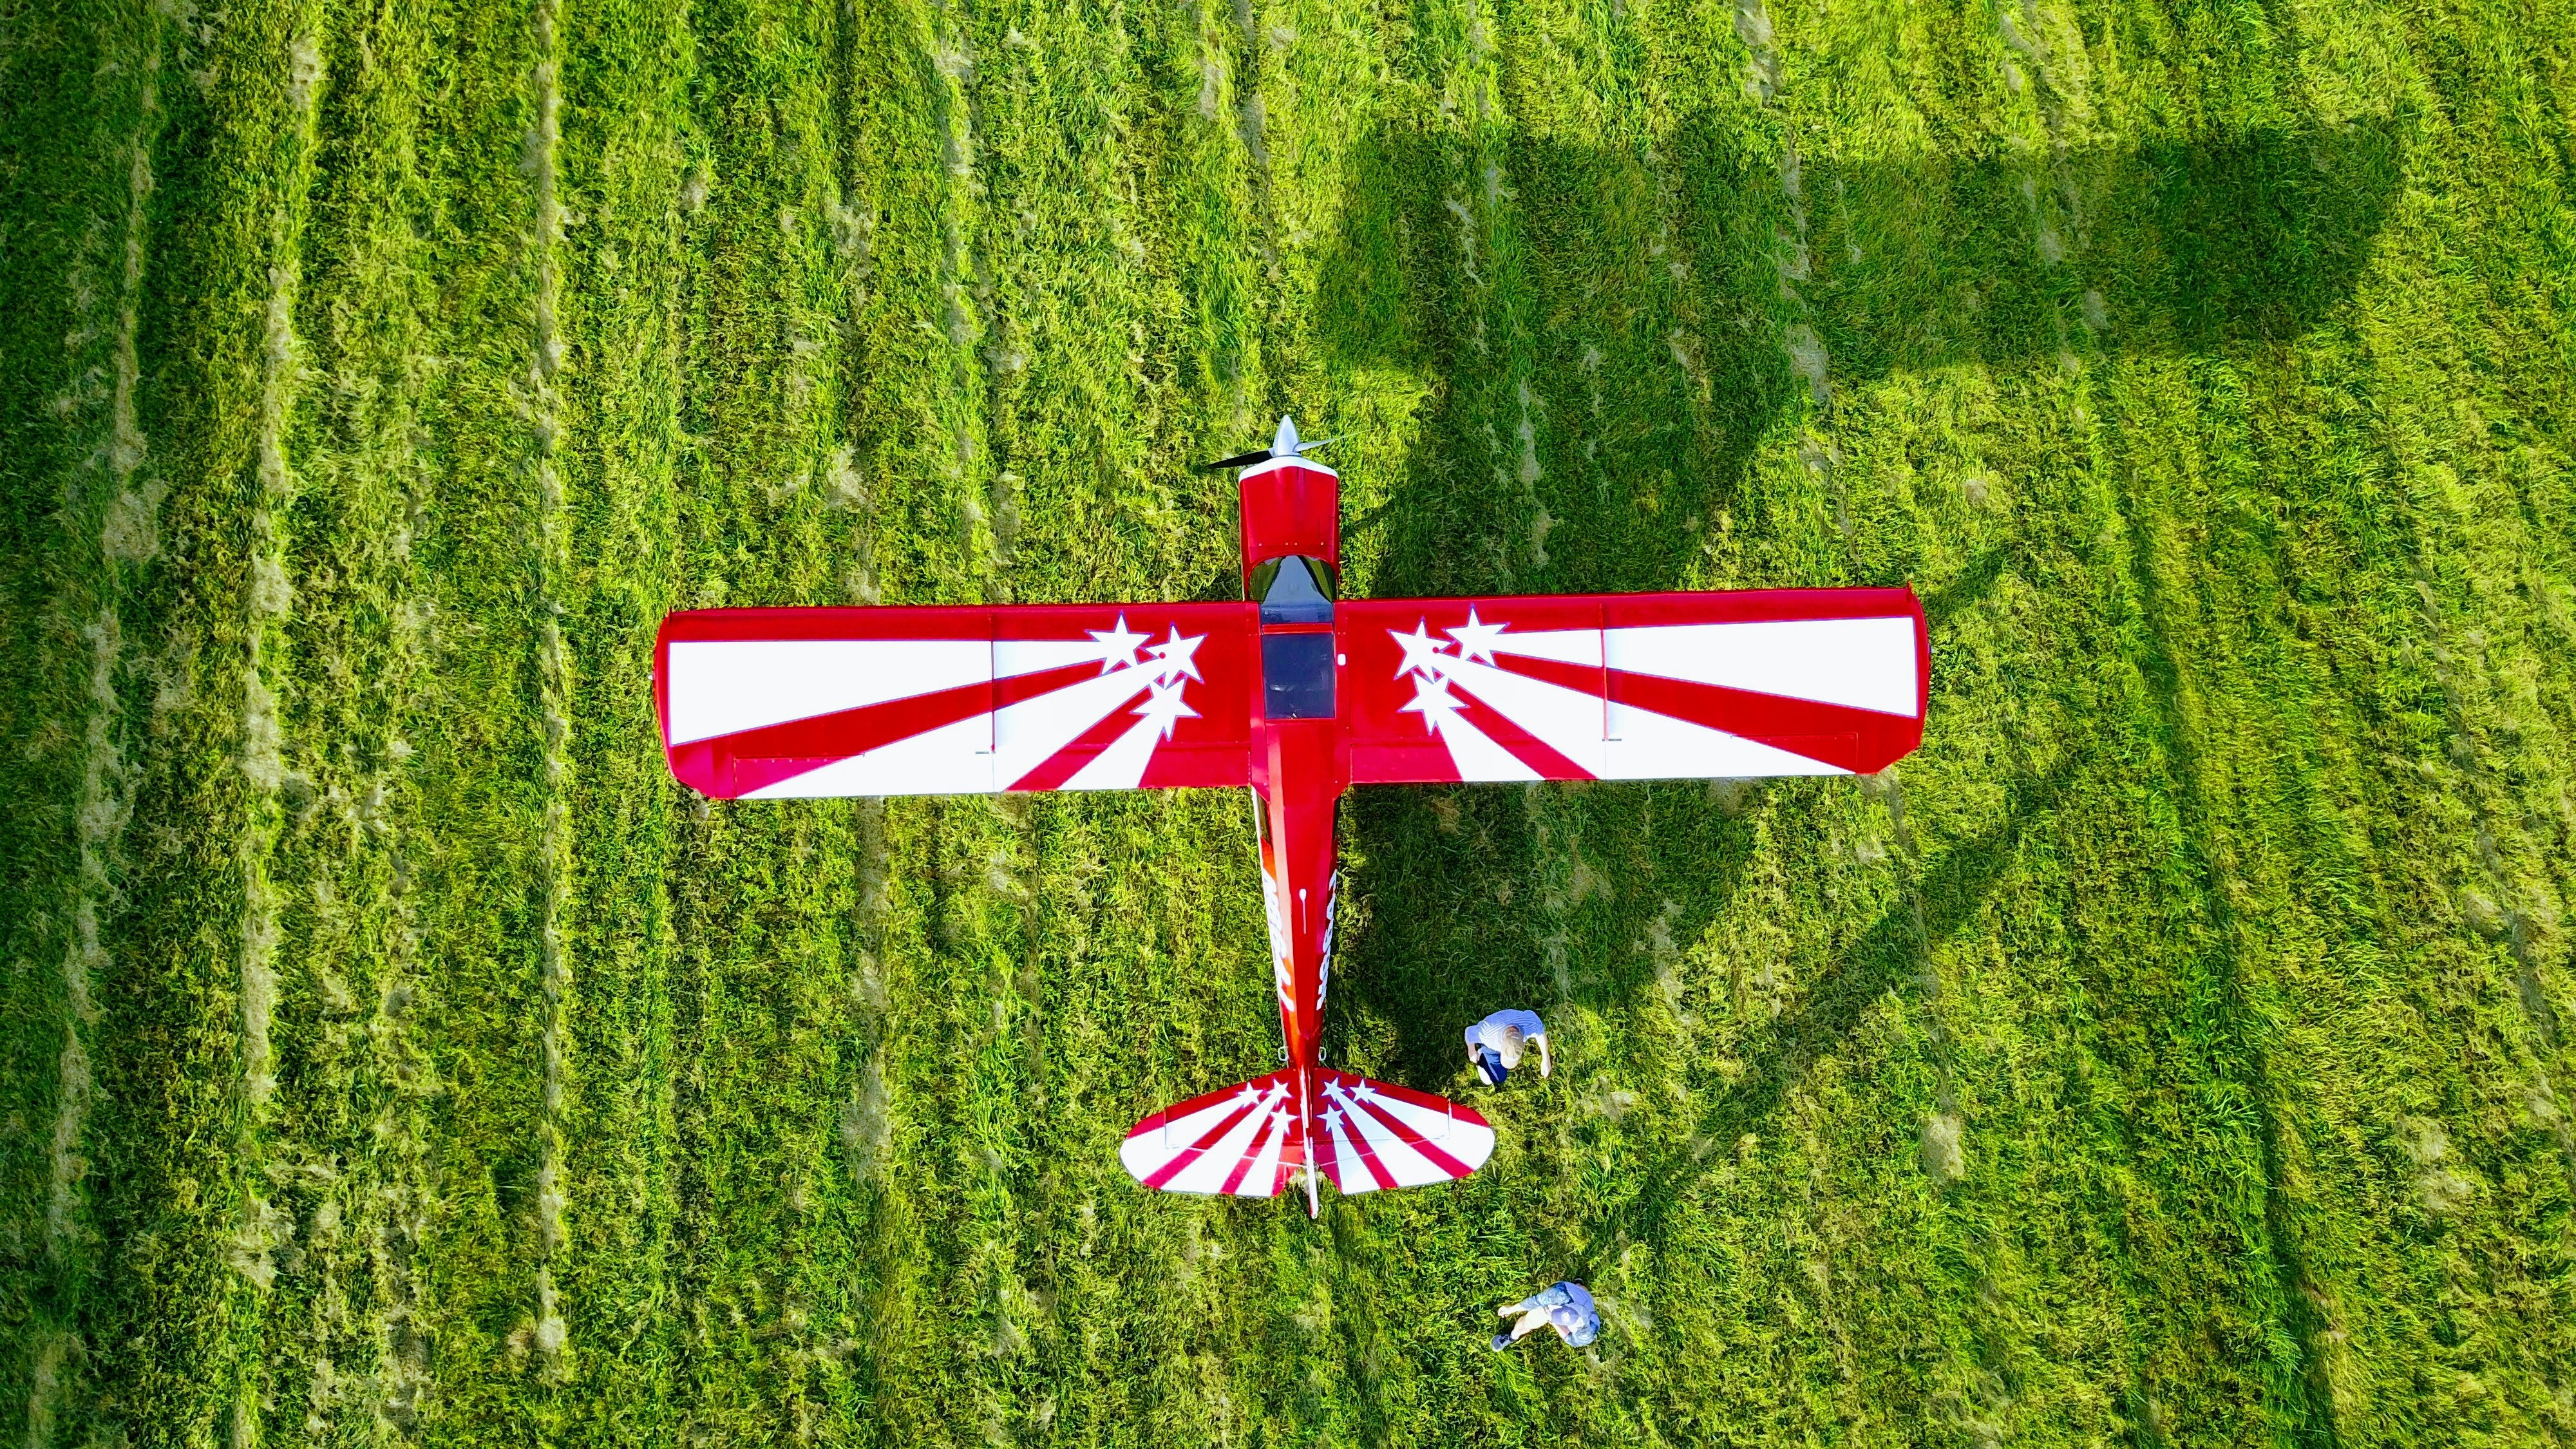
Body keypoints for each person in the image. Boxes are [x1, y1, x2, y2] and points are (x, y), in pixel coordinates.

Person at [1492, 1280, 1598, 1351]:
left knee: (1583, 1292)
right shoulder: (1558, 1294)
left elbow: (1570, 1339)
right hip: (1569, 1293)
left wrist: (1552, 1321)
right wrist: (1511, 1309)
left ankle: (1512, 1337)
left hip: (1581, 1300)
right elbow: (1535, 1301)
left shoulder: (1587, 1334)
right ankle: (1513, 1336)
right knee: (1581, 1290)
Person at [1464, 1008, 1550, 1088]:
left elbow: (1540, 1033)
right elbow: (1469, 1031)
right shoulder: (1487, 1034)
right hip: (1491, 1048)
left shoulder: (1530, 1024)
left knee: (1498, 1076)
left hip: (1502, 1028)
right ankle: (1482, 1053)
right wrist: (1472, 1050)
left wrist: (1546, 1059)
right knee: (1493, 1079)